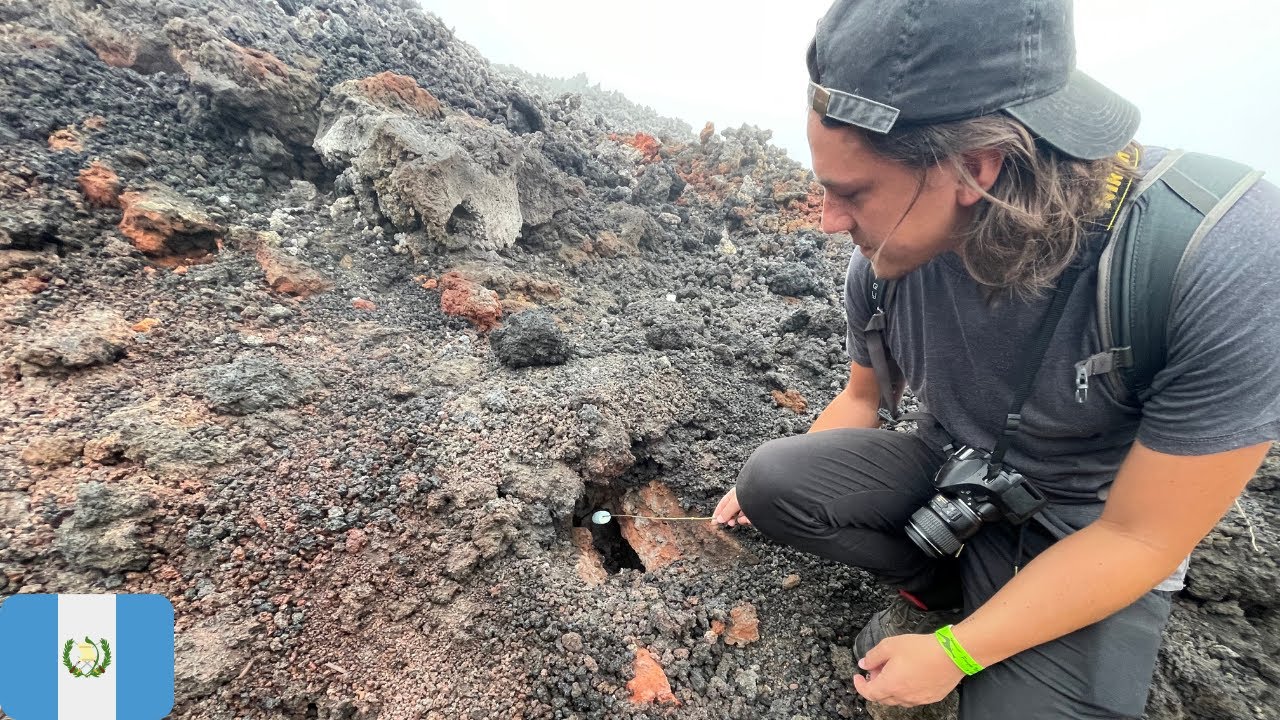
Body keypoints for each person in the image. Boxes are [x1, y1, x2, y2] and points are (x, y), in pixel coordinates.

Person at [711, 0, 1280, 718]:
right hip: (950, 468)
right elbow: (862, 398)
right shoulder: (888, 262)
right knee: (773, 481)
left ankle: (994, 619)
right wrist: (763, 498)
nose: (827, 220)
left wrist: (956, 653)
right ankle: (942, 587)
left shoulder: (1217, 261)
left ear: (975, 168)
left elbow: (1141, 536)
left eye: (851, 192)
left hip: (1089, 527)